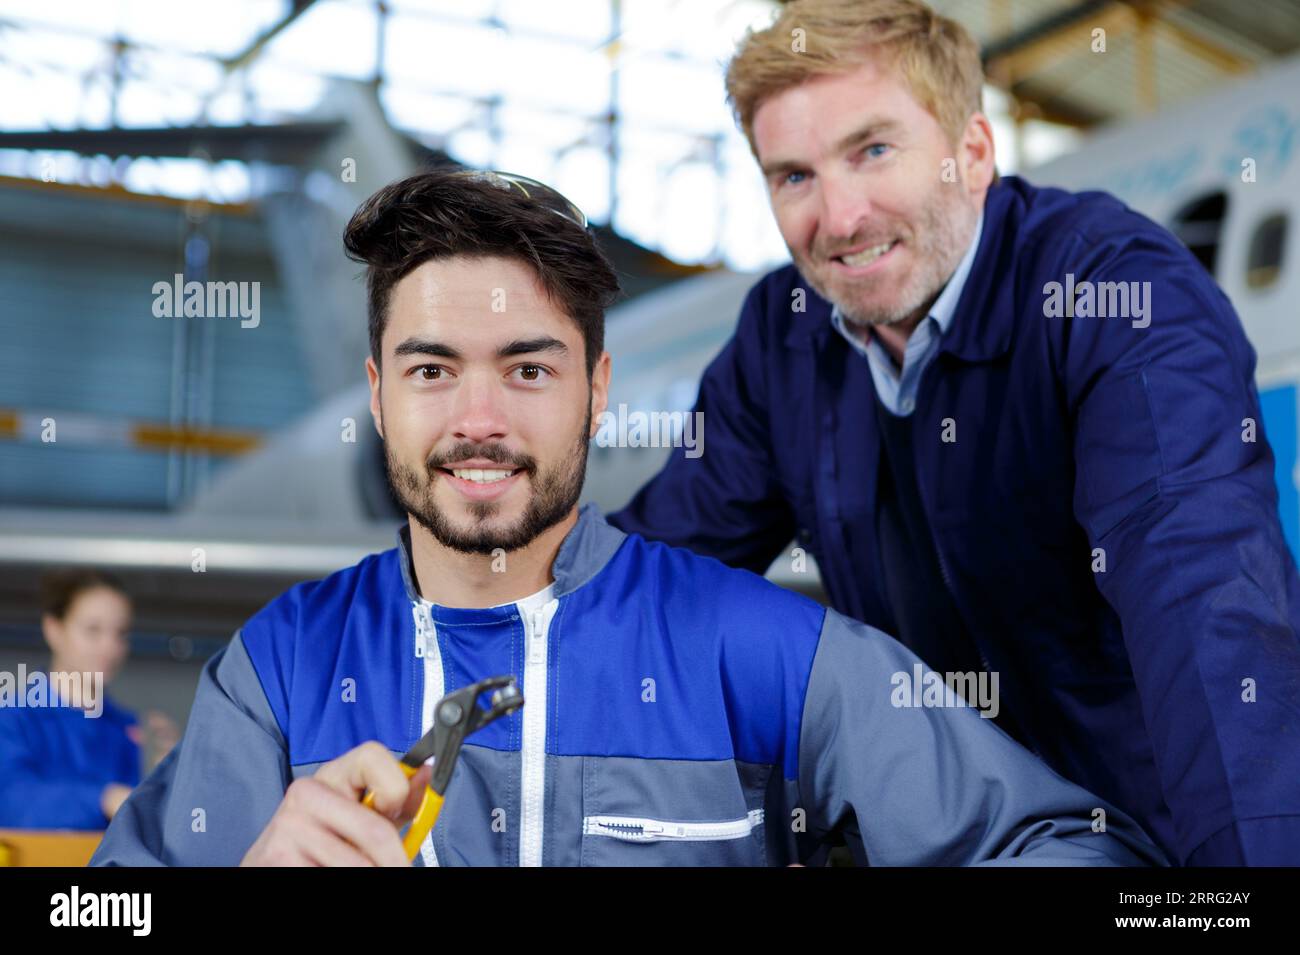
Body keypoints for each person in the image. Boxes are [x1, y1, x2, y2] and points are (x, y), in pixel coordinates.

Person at [91, 168, 1164, 867]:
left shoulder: (765, 653)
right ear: (377, 393)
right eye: (432, 369)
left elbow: (1077, 849)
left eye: (527, 368)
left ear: (596, 389)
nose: (478, 419)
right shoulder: (274, 672)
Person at [607, 0, 1300, 865]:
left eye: (873, 151)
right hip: (951, 839)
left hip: (1154, 845)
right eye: (793, 176)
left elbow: (1209, 619)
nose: (840, 216)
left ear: (972, 153)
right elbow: (646, 582)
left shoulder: (1114, 297)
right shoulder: (781, 342)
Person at [0, 569, 177, 830]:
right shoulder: (13, 718)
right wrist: (105, 799)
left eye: (121, 633)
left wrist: (171, 775)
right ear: (53, 629)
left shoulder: (128, 729)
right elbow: (13, 804)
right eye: (93, 630)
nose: (110, 647)